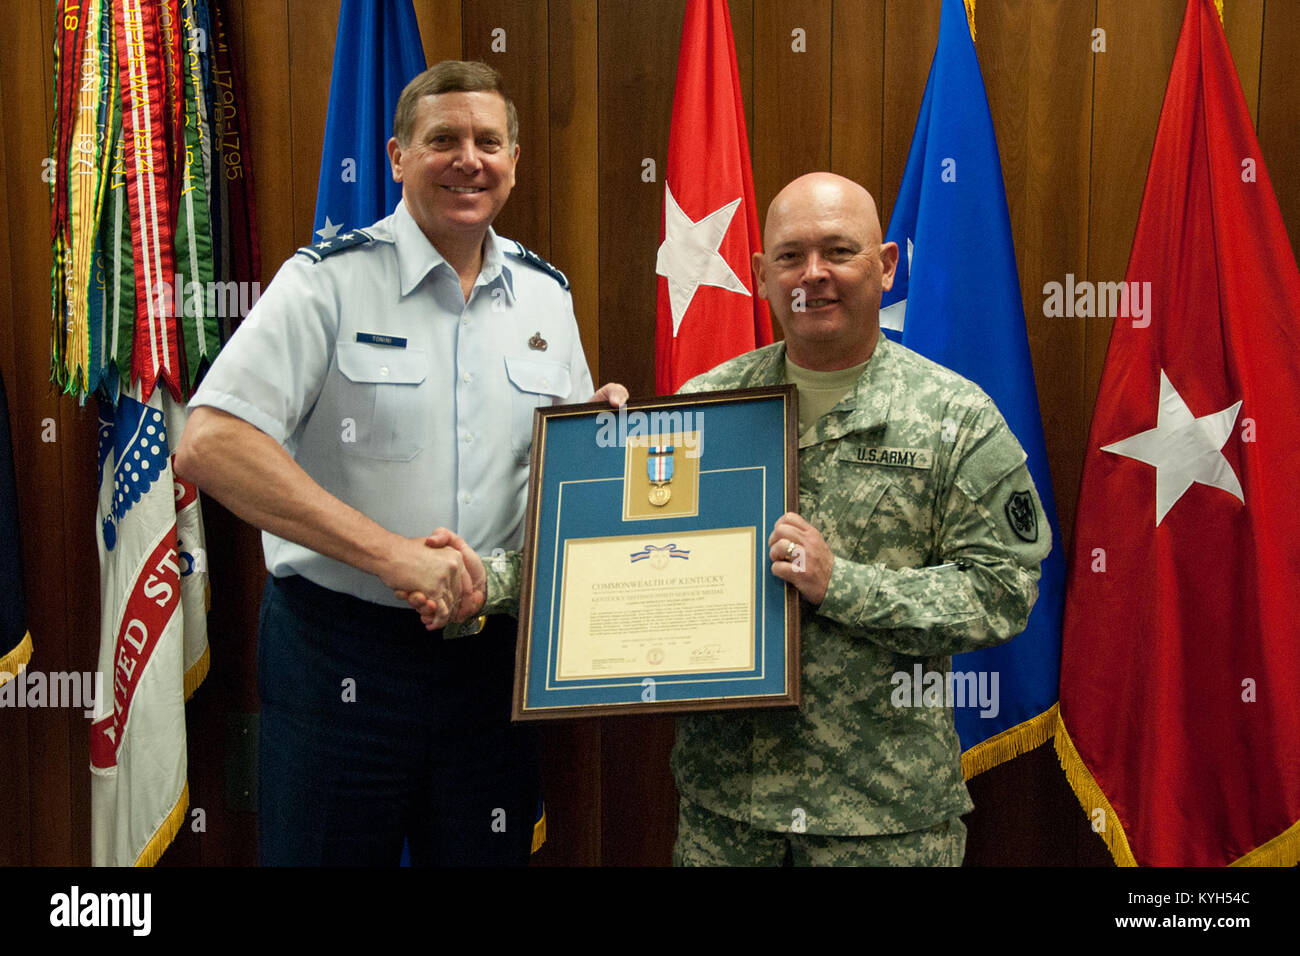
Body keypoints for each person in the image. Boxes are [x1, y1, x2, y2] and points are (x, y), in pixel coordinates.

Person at [176, 60, 624, 866]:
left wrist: (595, 442)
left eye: (489, 141)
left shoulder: (545, 298)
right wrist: (391, 557)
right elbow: (211, 442)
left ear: (514, 161)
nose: (468, 159)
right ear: (396, 156)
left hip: (490, 660)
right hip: (340, 659)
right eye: (442, 139)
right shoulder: (328, 284)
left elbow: (552, 482)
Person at [667, 172, 1051, 866]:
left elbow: (1003, 592)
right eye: (789, 256)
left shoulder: (955, 418)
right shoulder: (705, 406)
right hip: (727, 815)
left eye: (839, 251)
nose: (813, 275)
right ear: (759, 275)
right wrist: (603, 457)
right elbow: (646, 560)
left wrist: (842, 584)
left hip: (884, 820)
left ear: (886, 265)